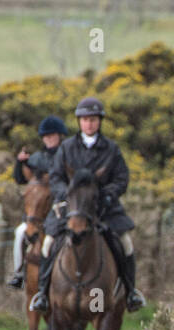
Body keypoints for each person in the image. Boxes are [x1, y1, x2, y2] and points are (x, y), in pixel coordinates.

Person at [30, 96, 144, 313]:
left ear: (99, 121)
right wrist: (68, 195)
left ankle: (131, 293)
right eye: (84, 120)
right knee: (48, 244)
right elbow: (55, 177)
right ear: (79, 122)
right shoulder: (67, 147)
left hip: (104, 208)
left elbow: (121, 179)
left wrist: (107, 195)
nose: (88, 124)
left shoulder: (111, 149)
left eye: (92, 119)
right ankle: (42, 294)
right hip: (70, 209)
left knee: (126, 243)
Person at [6, 114, 66, 289]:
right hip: (37, 216)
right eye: (45, 136)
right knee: (19, 233)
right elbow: (20, 180)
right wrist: (20, 163)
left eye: (52, 135)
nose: (48, 139)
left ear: (60, 136)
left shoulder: (68, 154)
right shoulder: (37, 158)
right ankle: (18, 273)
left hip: (61, 211)